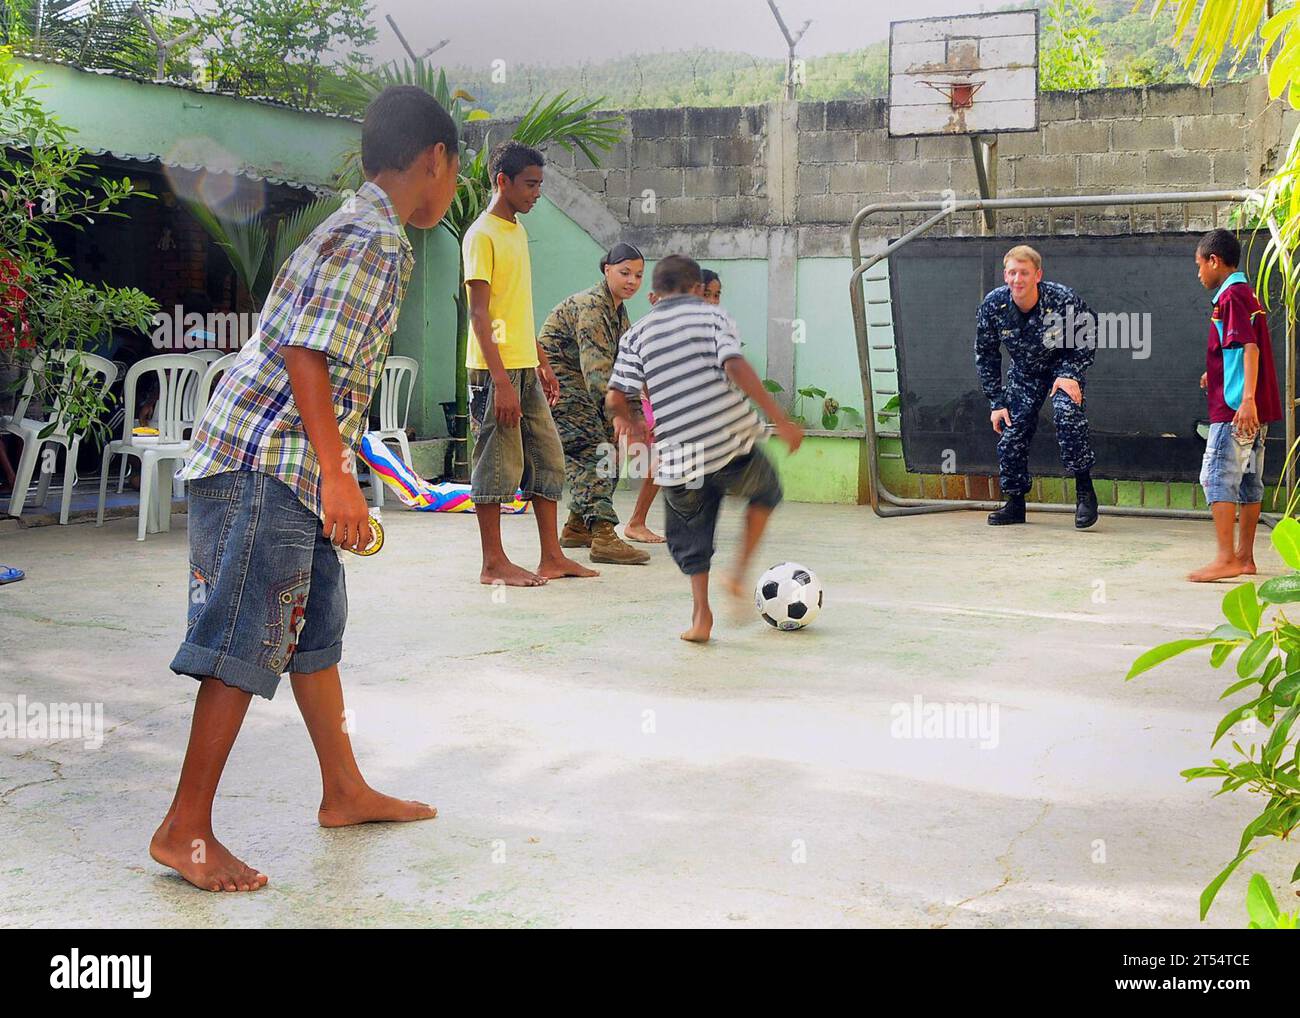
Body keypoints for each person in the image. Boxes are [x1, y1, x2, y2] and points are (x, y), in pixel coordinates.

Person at [151, 86, 460, 893]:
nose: (451, 187)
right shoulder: (374, 239)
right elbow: (307, 357)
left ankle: (343, 790)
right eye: (454, 174)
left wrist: (331, 472)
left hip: (280, 459)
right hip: (267, 463)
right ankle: (184, 829)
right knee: (245, 638)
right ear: (435, 161)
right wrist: (337, 476)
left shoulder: (356, 223)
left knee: (312, 629)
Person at [606, 255, 803, 643]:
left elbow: (617, 395)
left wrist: (631, 423)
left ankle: (701, 616)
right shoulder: (713, 317)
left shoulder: (636, 334)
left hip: (680, 458)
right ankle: (739, 573)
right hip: (729, 442)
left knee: (693, 540)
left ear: (655, 294)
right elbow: (734, 365)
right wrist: (779, 418)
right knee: (766, 492)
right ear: (698, 289)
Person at [463, 140, 597, 586]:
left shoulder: (517, 231)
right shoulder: (481, 235)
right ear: (503, 181)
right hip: (493, 371)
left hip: (523, 366)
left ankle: (552, 557)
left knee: (546, 458)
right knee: (495, 464)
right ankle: (491, 562)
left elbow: (516, 305)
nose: (537, 193)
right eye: (530, 184)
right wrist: (500, 382)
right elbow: (479, 314)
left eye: (540, 185)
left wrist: (539, 358)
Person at [541, 243, 655, 563]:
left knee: (611, 441)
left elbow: (627, 367)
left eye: (638, 275)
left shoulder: (617, 310)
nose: (632, 280)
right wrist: (619, 417)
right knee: (596, 446)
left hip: (584, 386)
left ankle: (578, 524)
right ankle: (603, 533)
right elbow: (598, 374)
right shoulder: (592, 307)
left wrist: (635, 414)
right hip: (557, 385)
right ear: (607, 270)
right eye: (624, 273)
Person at [975, 244, 1099, 529]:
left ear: (1038, 275)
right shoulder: (994, 305)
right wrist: (996, 401)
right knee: (1010, 428)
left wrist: (1071, 373)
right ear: (1005, 276)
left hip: (1062, 369)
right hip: (1025, 372)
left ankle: (1084, 491)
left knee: (1067, 416)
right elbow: (986, 353)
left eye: (1024, 273)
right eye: (1012, 273)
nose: (1018, 279)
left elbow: (1087, 333)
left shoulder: (1063, 299)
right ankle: (1015, 503)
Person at [1189, 229, 1283, 582]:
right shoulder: (1246, 294)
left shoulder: (1230, 297)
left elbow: (1249, 348)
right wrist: (1212, 371)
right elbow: (1236, 348)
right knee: (1248, 483)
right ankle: (1245, 557)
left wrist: (1244, 400)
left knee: (1216, 478)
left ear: (1214, 261)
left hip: (1236, 411)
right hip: (1252, 409)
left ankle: (1226, 557)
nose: (1198, 273)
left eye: (1199, 265)